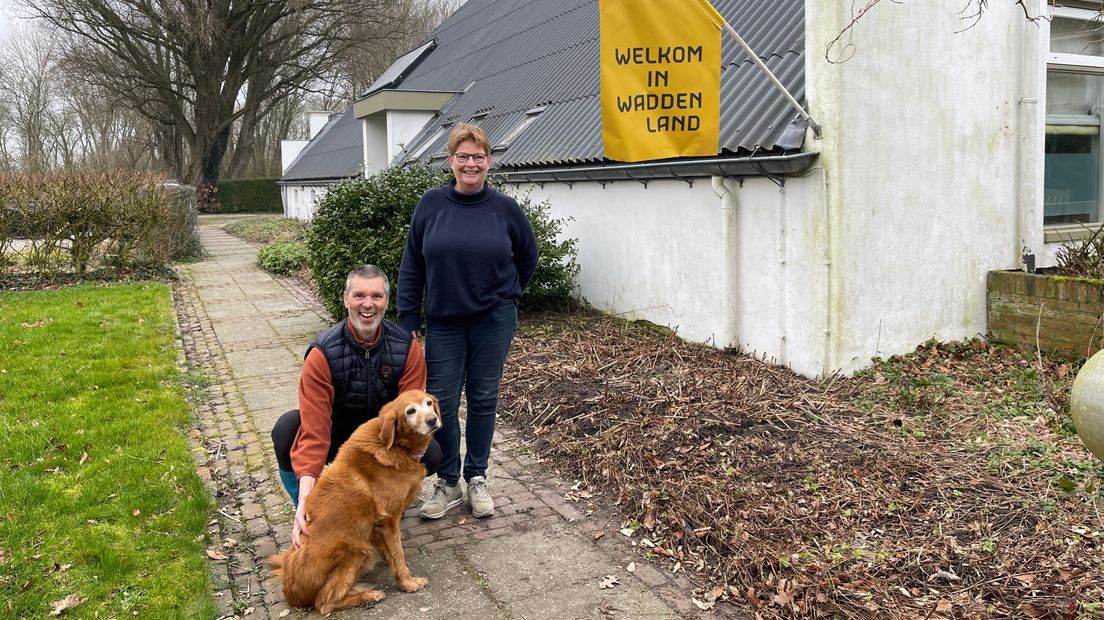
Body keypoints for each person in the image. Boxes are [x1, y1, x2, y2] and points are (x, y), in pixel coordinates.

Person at [397, 123, 538, 519]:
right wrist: (408, 315)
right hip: (444, 321)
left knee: (483, 398)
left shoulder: (505, 209)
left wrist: (509, 293)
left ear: (489, 161)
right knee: (439, 402)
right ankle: (448, 482)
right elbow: (412, 263)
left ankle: (477, 477)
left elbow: (527, 255)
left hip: (493, 320)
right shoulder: (431, 205)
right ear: (451, 161)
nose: (471, 164)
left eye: (478, 157)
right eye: (463, 157)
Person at [271, 264, 441, 547]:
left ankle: (386, 508)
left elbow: (414, 417)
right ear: (346, 299)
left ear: (386, 301)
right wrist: (306, 499)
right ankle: (309, 515)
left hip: (384, 440)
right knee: (287, 429)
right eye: (359, 295)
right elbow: (315, 431)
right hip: (337, 435)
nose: (368, 304)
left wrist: (418, 443)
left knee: (432, 453)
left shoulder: (407, 348)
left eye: (376, 296)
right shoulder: (322, 354)